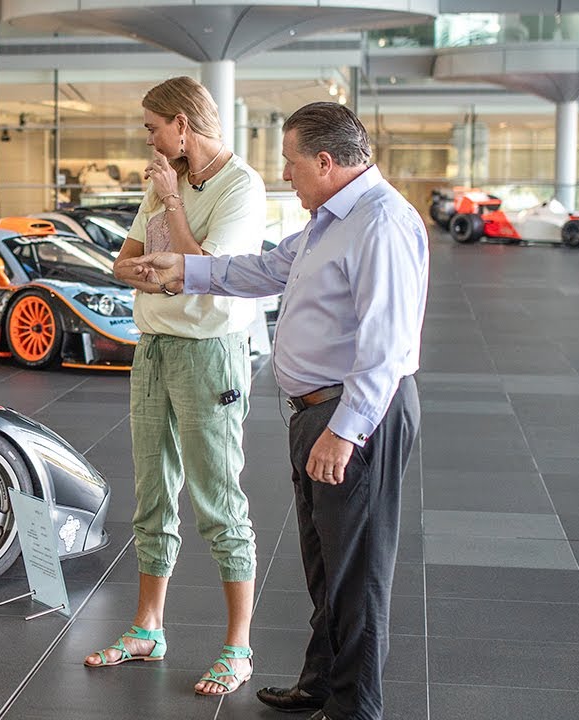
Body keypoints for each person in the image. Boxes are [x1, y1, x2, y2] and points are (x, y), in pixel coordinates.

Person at [118, 101, 428, 720]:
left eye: (291, 163)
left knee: (358, 574)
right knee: (324, 566)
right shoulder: (328, 218)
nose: (286, 175)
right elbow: (265, 268)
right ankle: (320, 682)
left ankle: (354, 708)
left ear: (325, 161)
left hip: (352, 415)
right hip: (318, 411)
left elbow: (387, 346)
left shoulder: (381, 222)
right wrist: (186, 269)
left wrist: (344, 433)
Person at [82, 76, 267, 698]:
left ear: (183, 123)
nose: (149, 138)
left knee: (218, 498)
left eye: (153, 126)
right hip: (154, 348)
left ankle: (238, 646)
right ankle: (147, 627)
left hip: (208, 354)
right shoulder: (167, 178)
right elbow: (125, 262)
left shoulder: (240, 186)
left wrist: (173, 211)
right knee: (152, 491)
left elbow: (207, 273)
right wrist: (159, 273)